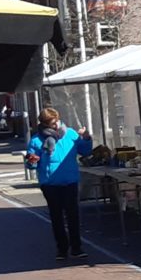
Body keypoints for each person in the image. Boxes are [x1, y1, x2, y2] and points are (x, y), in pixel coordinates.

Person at [25, 107, 93, 261]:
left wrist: (87, 138)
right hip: (50, 183)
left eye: (55, 122)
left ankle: (76, 247)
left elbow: (85, 151)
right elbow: (31, 164)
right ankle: (62, 248)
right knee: (56, 217)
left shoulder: (70, 134)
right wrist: (31, 161)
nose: (55, 126)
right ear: (44, 124)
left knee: (73, 215)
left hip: (70, 180)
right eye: (51, 124)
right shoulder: (36, 140)